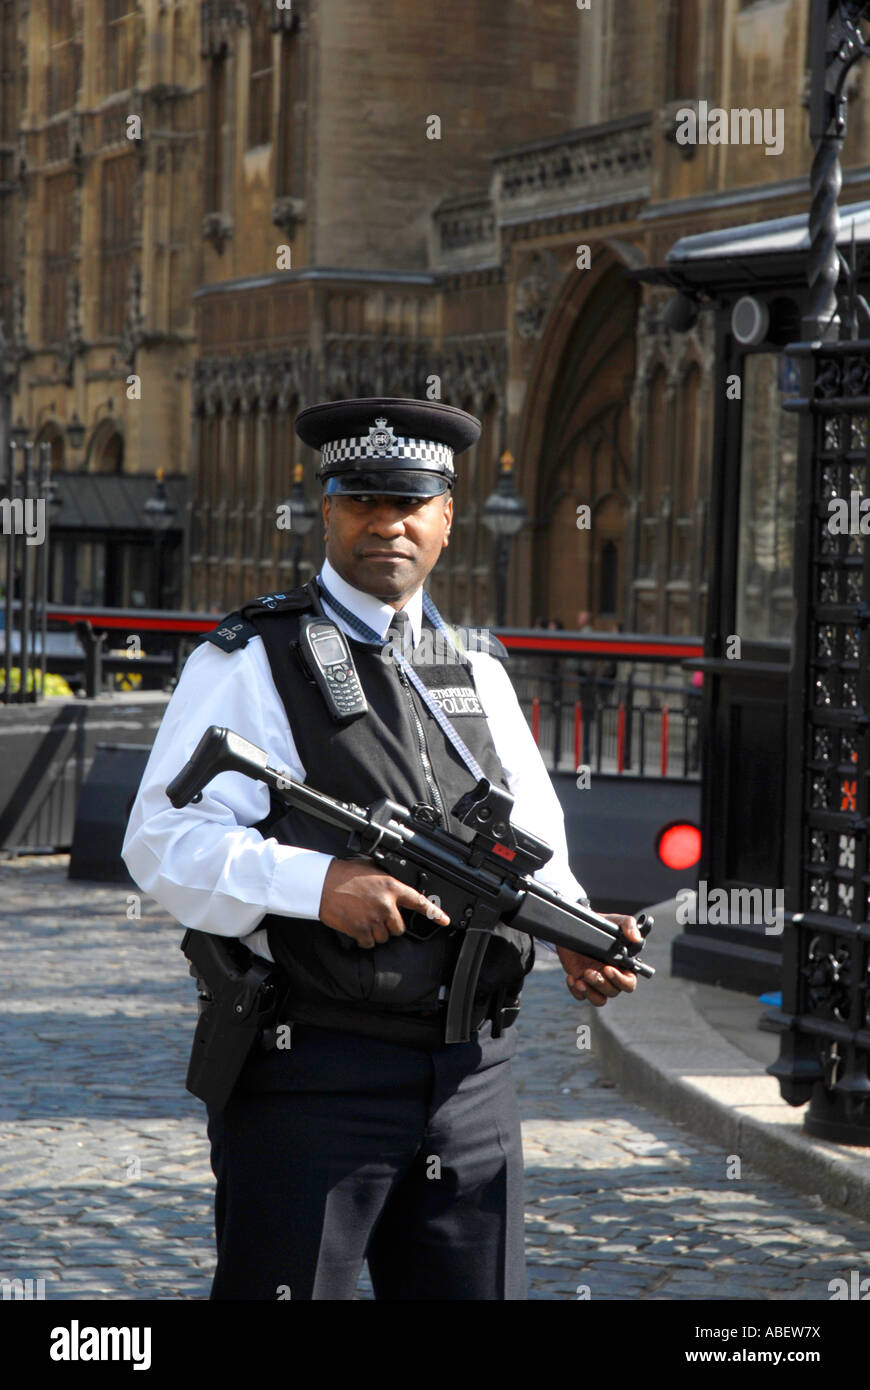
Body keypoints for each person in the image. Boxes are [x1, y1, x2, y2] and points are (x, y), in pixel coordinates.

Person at [122, 396, 642, 1302]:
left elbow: (533, 841)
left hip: (472, 1077)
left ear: (446, 517)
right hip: (314, 1071)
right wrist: (317, 882)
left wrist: (572, 925)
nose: (387, 524)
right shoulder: (254, 658)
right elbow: (161, 839)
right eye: (363, 501)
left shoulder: (473, 667)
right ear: (327, 512)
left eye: (411, 503)